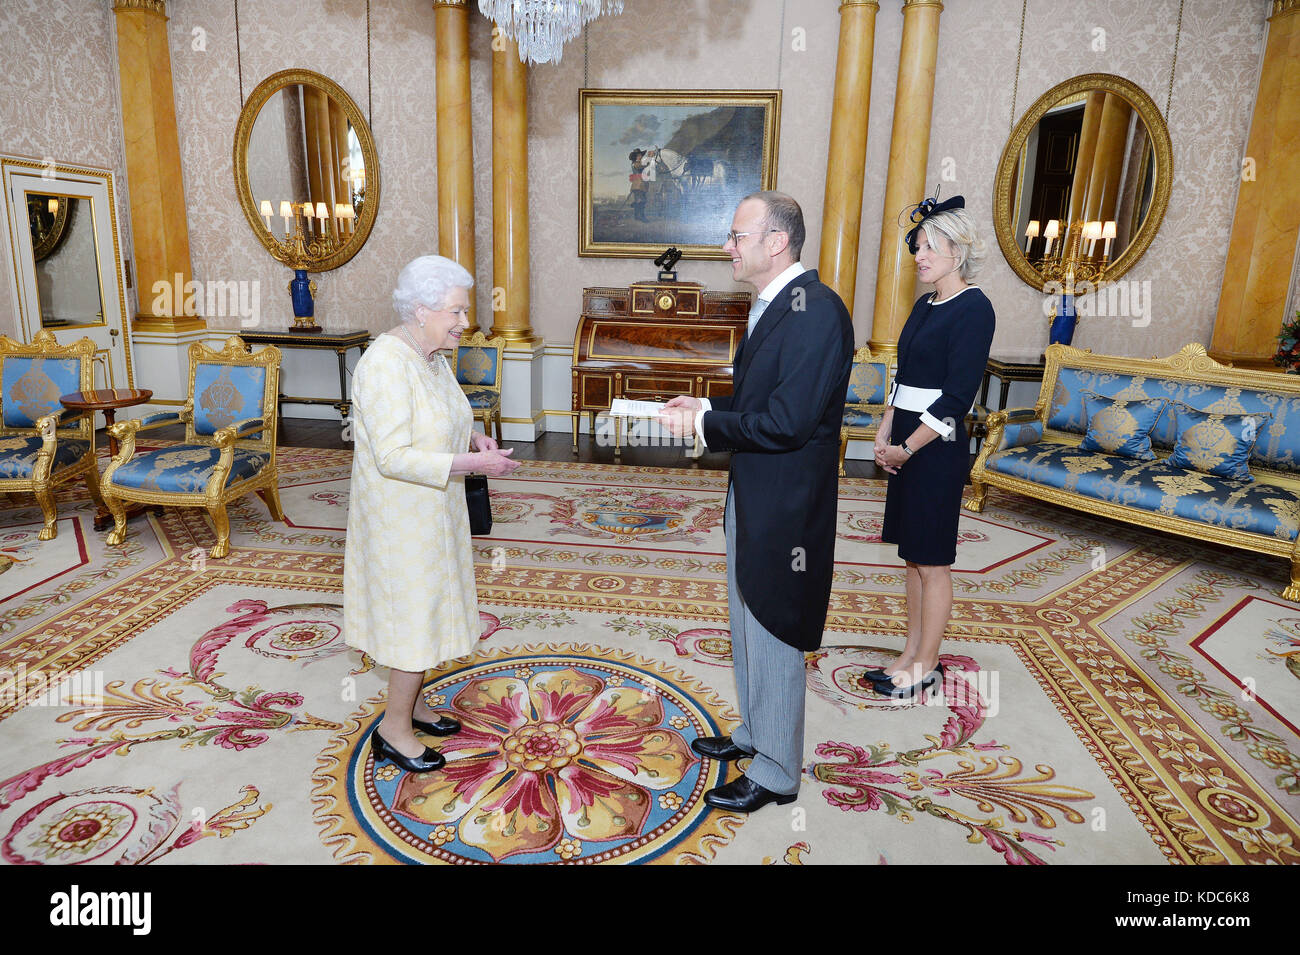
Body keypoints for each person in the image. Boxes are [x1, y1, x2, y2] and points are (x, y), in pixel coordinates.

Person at [659, 191, 853, 813]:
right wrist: (708, 408)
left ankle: (776, 770)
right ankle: (755, 733)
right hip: (756, 491)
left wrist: (704, 430)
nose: (727, 247)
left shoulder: (817, 311)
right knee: (746, 619)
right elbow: (760, 401)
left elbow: (789, 423)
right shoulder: (776, 305)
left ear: (776, 242)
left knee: (773, 624)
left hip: (787, 507)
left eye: (737, 236)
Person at [343, 255, 520, 773]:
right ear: (421, 310)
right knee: (410, 619)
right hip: (400, 516)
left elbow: (445, 413)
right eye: (456, 312)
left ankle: (413, 706)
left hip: (434, 507)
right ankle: (393, 731)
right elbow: (392, 457)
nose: (465, 322)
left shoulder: (432, 355)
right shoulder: (385, 363)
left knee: (433, 607)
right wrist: (473, 463)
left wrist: (473, 436)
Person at [869, 196, 995, 700]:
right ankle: (910, 651)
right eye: (918, 246)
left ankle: (927, 663)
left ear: (958, 252)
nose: (919, 255)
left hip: (936, 448)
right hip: (905, 438)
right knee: (913, 556)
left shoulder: (975, 308)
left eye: (929, 248)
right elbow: (905, 377)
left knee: (934, 559)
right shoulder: (924, 305)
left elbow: (957, 396)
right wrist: (884, 431)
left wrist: (909, 446)